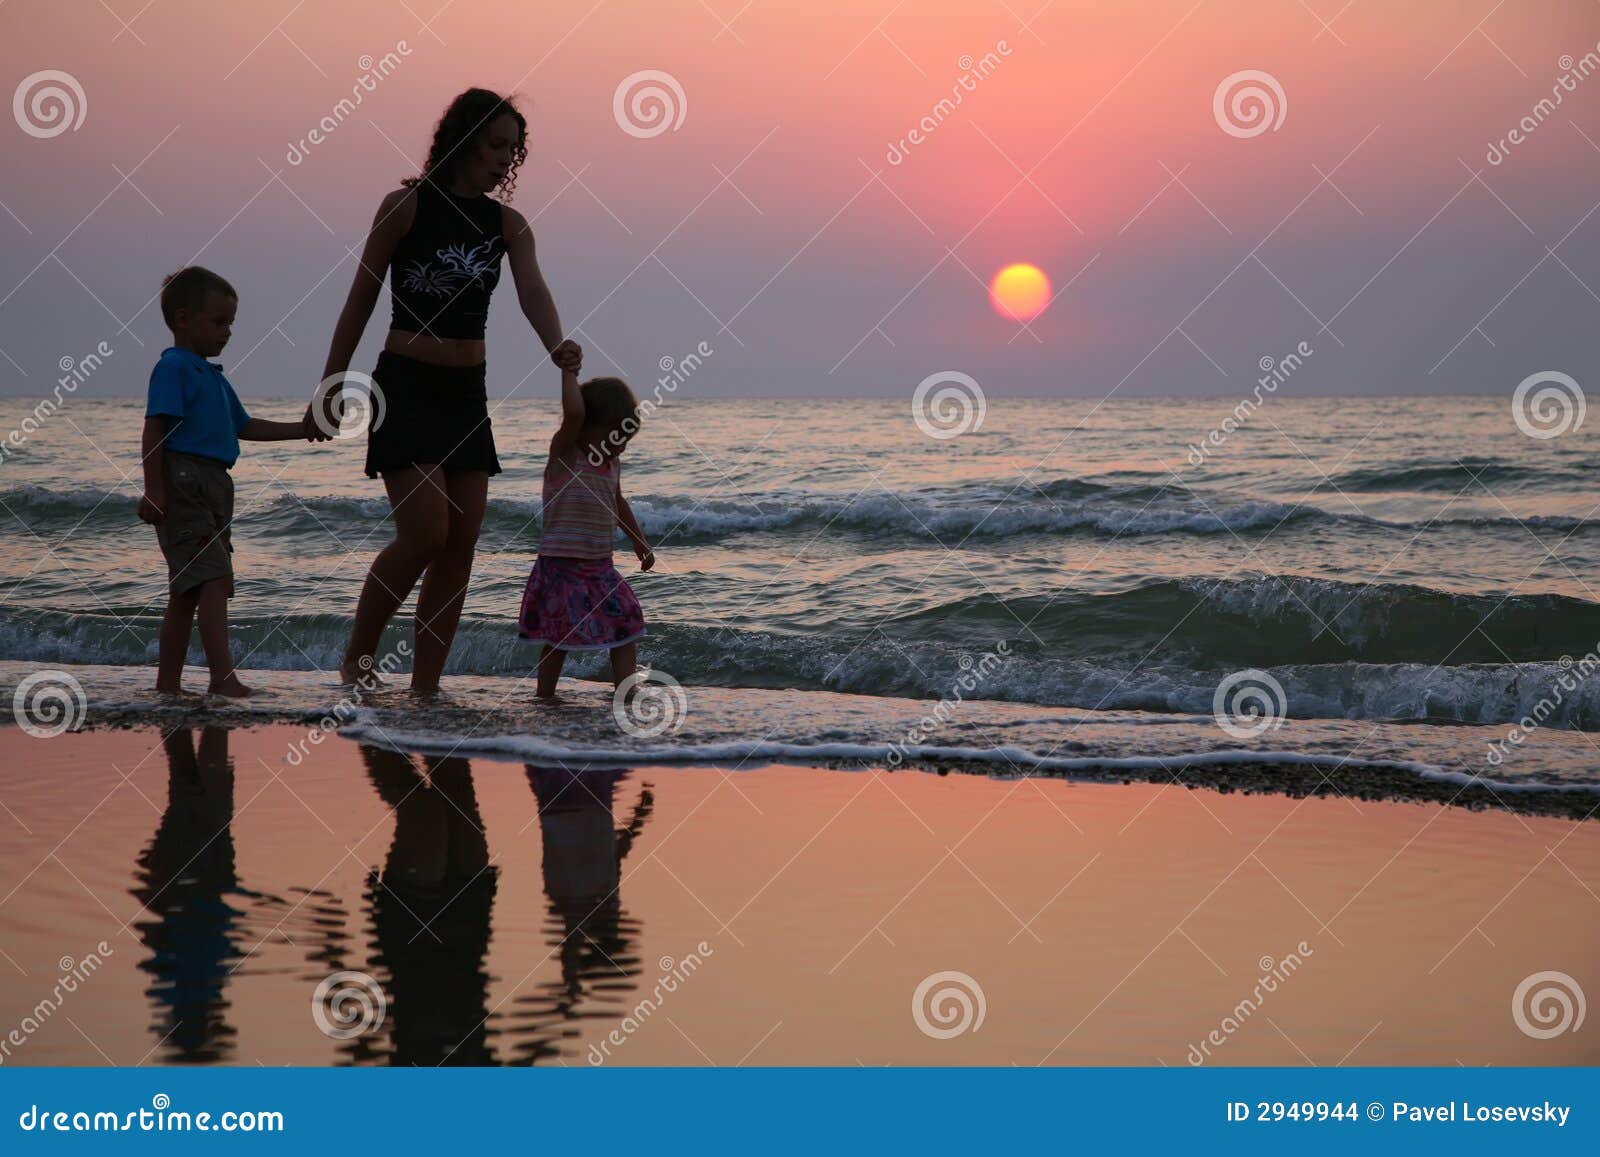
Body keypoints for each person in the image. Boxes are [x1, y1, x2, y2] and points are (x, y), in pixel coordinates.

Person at [306, 87, 580, 694]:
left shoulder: (507, 224)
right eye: (496, 145)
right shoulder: (405, 206)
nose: (506, 159)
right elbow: (362, 296)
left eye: (514, 149)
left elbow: (532, 291)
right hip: (405, 384)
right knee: (426, 534)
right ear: (464, 140)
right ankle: (358, 657)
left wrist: (555, 344)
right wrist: (332, 381)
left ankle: (426, 687)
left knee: (460, 544)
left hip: (466, 392)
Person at [138, 266, 317, 697]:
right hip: (185, 482)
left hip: (215, 485)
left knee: (187, 590)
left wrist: (303, 428)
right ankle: (222, 679)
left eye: (231, 324)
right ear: (183, 319)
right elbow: (154, 429)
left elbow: (246, 426)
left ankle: (168, 686)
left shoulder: (212, 376)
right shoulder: (174, 367)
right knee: (212, 581)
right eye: (219, 322)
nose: (228, 332)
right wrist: (155, 489)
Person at [517, 346, 654, 700]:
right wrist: (568, 371)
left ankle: (626, 693)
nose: (620, 447)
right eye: (615, 436)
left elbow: (617, 502)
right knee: (557, 636)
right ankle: (544, 696)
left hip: (600, 567)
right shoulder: (565, 454)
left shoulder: (611, 465)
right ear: (586, 426)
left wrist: (639, 541)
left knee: (628, 624)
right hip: (561, 566)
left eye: (626, 440)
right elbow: (573, 413)